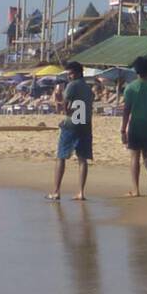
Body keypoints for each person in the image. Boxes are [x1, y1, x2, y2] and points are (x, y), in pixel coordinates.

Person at [46, 61, 93, 201]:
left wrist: (58, 96)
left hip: (72, 124)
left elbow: (65, 108)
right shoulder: (87, 87)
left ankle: (56, 191)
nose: (69, 76)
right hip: (85, 124)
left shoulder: (72, 85)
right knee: (82, 159)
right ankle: (81, 192)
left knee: (61, 157)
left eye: (71, 73)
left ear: (78, 73)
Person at [120, 56, 147, 196]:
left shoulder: (131, 88)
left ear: (136, 70)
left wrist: (123, 129)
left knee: (134, 157)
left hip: (136, 124)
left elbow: (127, 110)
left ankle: (136, 189)